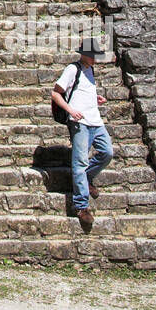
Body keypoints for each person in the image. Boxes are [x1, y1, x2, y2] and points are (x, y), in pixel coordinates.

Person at [51, 36, 113, 228]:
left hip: (95, 121)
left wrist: (95, 98)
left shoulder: (90, 70)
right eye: (93, 55)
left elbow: (82, 92)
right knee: (80, 162)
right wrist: (70, 111)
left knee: (107, 153)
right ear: (84, 54)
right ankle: (81, 206)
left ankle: (86, 179)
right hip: (79, 123)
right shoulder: (73, 69)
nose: (96, 58)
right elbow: (55, 93)